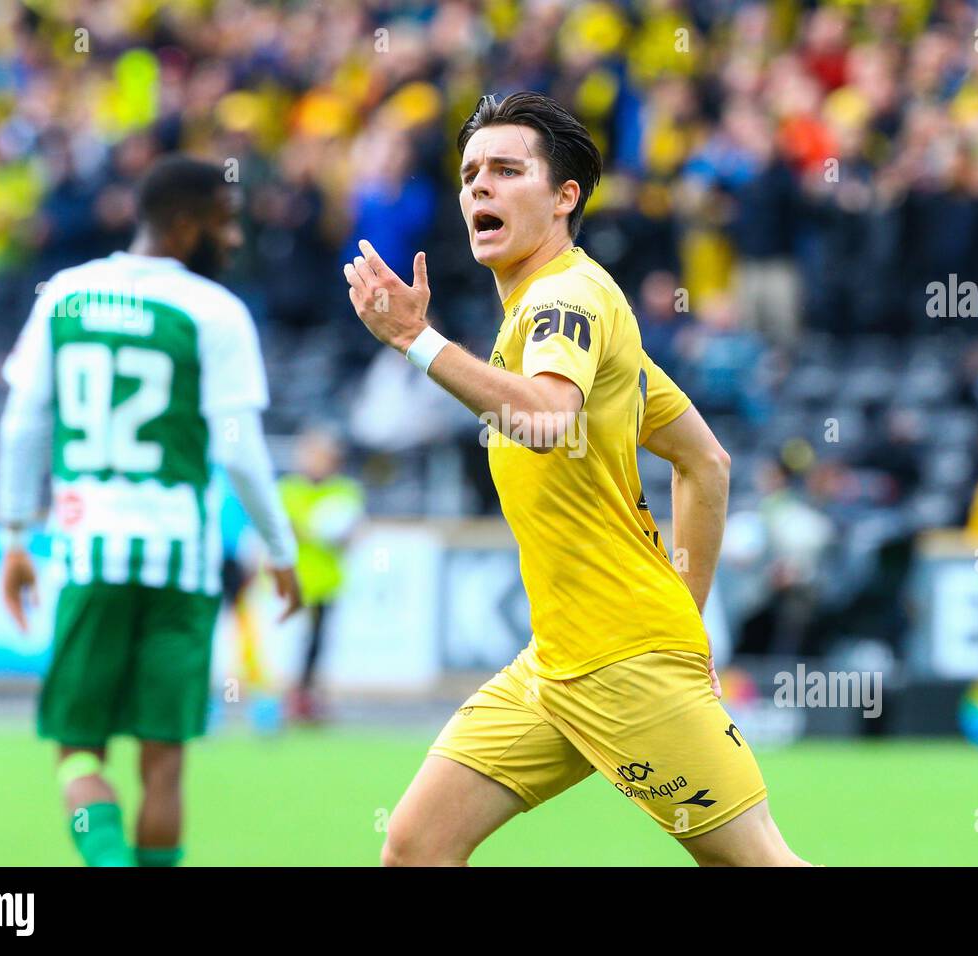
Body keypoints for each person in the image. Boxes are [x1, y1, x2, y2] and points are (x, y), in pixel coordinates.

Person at [343, 92, 809, 866]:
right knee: (415, 848)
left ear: (565, 198)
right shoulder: (561, 309)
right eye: (469, 174)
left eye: (505, 169)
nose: (479, 188)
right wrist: (684, 617)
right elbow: (705, 462)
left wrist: (416, 341)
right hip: (558, 662)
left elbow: (547, 417)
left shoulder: (565, 298)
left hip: (621, 657)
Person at [0, 154, 302, 867]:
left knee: (77, 753)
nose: (233, 243)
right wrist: (280, 549)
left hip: (88, 552)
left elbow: (21, 426)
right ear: (187, 224)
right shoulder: (216, 312)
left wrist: (13, 536)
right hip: (181, 564)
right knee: (164, 764)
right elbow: (240, 451)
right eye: (225, 228)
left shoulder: (64, 294)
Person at [278, 426, 365, 722]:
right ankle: (289, 699)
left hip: (326, 583)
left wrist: (335, 533)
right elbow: (283, 528)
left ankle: (309, 698)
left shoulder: (344, 491)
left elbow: (354, 533)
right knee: (294, 644)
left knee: (319, 644)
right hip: (291, 583)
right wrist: (314, 531)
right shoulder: (288, 489)